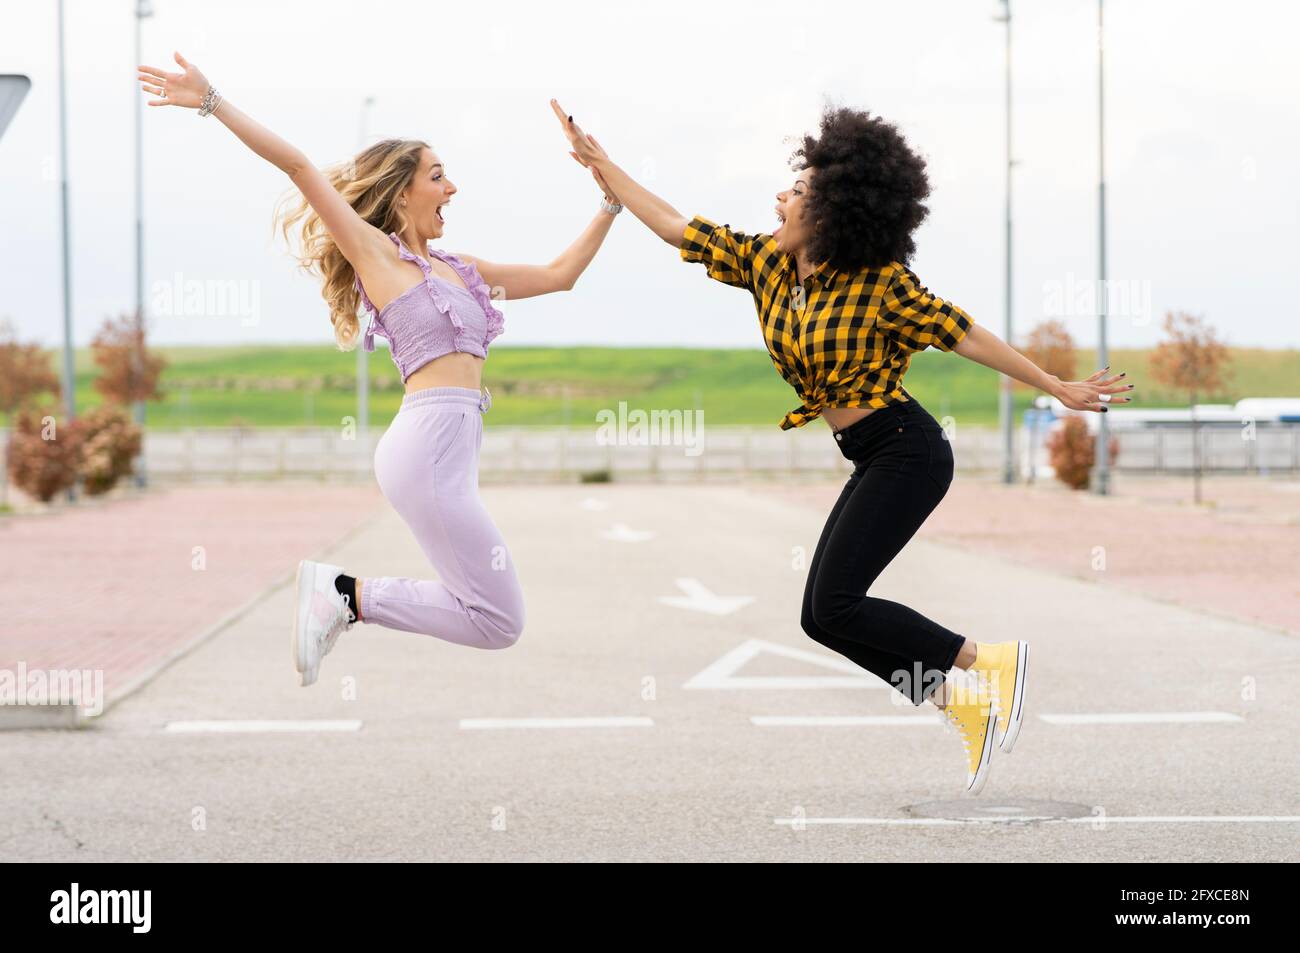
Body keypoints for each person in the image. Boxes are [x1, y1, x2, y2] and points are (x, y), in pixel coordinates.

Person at [552, 99, 1135, 793]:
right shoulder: (765, 264)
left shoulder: (879, 284)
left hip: (908, 449)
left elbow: (964, 332)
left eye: (794, 191)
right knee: (820, 615)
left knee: (835, 605)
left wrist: (1052, 383)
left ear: (828, 214)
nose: (779, 197)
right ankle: (961, 704)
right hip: (870, 452)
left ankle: (988, 662)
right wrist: (605, 167)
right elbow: (676, 226)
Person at [137, 52, 623, 687]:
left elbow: (560, 277)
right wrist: (211, 101)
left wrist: (610, 199)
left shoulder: (462, 269)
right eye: (439, 177)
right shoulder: (376, 258)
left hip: (450, 453)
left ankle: (345, 597)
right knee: (499, 620)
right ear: (402, 189)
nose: (452, 189)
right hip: (425, 451)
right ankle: (344, 595)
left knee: (493, 616)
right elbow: (299, 166)